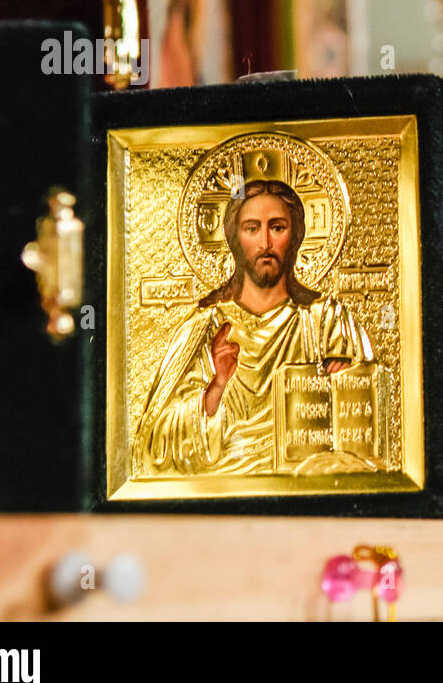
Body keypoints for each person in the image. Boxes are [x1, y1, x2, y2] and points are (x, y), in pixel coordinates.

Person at [133, 179, 373, 476]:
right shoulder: (205, 329)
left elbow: (367, 432)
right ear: (235, 239)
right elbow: (154, 444)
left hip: (309, 491)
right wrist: (216, 386)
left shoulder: (326, 324)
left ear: (295, 236)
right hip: (218, 496)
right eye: (252, 229)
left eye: (277, 228)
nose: (265, 244)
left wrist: (343, 390)